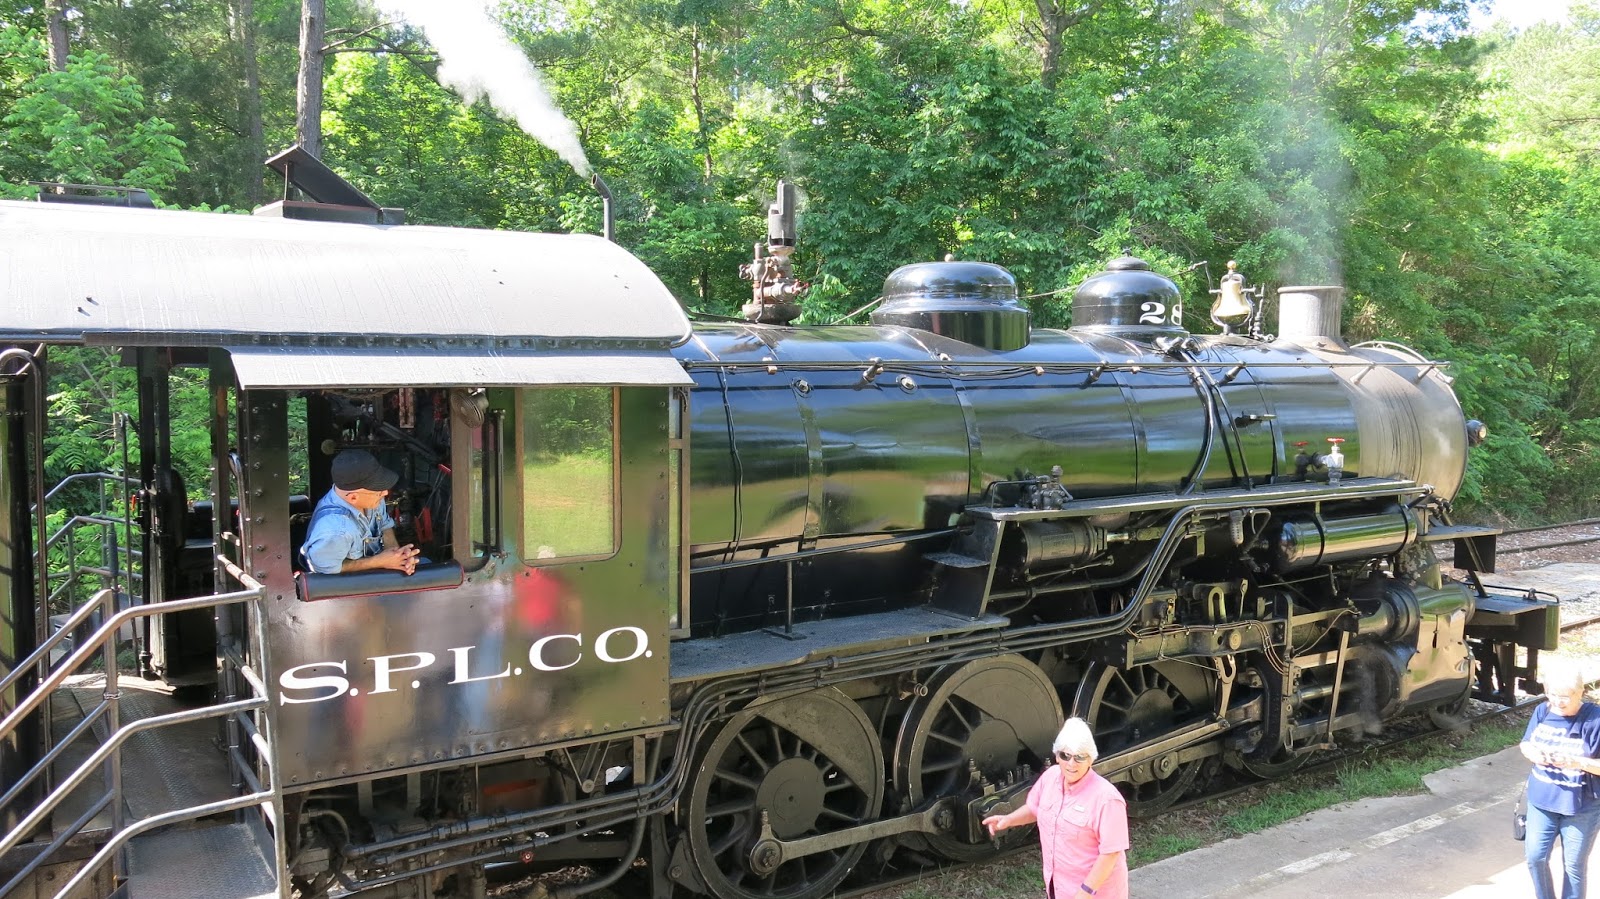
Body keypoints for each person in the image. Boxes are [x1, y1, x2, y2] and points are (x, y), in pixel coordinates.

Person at [983, 717, 1128, 899]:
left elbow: (1111, 853)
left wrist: (1085, 893)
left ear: (1091, 758)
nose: (1071, 764)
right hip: (1059, 888)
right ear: (1057, 756)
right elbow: (1036, 808)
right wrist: (1009, 820)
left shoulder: (1107, 799)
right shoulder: (1050, 777)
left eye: (1079, 757)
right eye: (1065, 756)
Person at [1522, 667, 1600, 899]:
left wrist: (1578, 763)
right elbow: (1526, 743)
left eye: (1565, 696)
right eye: (1552, 694)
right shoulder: (1542, 711)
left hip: (1581, 806)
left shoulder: (1595, 720)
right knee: (1535, 858)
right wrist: (1533, 754)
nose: (1558, 702)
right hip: (1542, 801)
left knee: (1573, 866)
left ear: (1581, 693)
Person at [301, 448, 419, 575]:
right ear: (353, 497)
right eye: (378, 490)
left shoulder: (372, 499)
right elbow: (326, 570)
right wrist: (377, 562)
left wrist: (397, 557)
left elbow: (385, 527)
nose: (384, 493)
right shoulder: (336, 531)